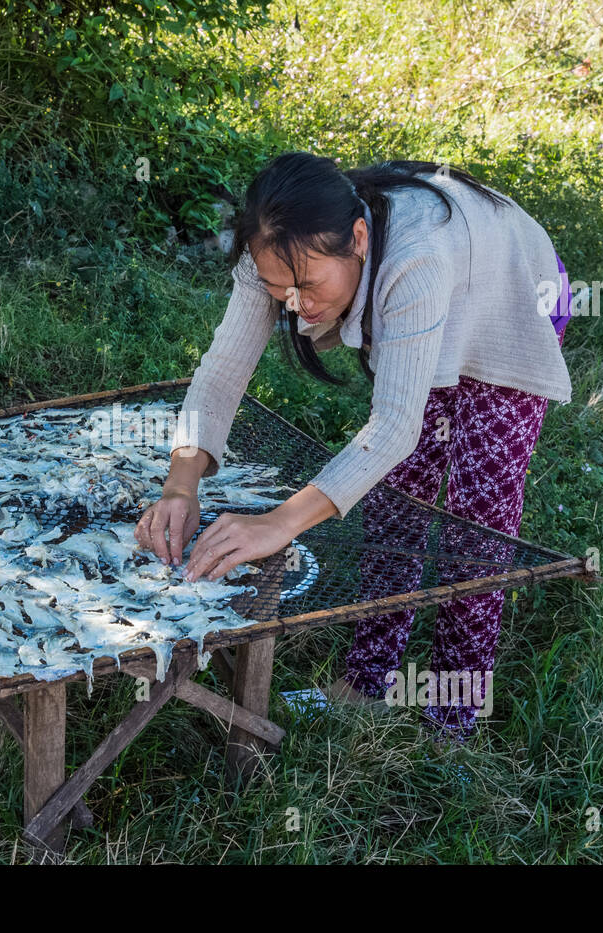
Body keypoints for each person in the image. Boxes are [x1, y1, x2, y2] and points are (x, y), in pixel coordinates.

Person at [133, 152, 574, 741]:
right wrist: (180, 484)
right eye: (278, 289)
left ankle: (453, 715)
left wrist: (280, 523)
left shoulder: (413, 258)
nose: (295, 305)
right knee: (396, 499)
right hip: (441, 287)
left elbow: (393, 427)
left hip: (515, 296)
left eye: (310, 285)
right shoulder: (271, 251)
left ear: (359, 238)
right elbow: (220, 375)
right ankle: (368, 683)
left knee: (476, 519)